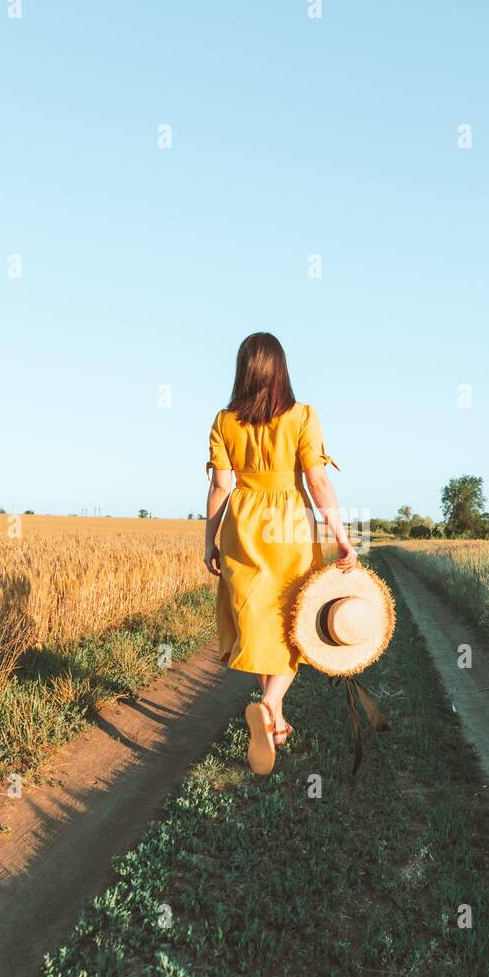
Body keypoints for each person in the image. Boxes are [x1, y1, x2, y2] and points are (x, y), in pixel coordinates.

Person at [203, 331, 357, 772]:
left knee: (256, 620)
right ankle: (271, 706)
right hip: (288, 522)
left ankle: (275, 719)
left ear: (242, 371)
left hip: (244, 525)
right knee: (294, 623)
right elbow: (318, 482)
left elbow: (219, 486)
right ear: (281, 370)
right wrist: (342, 537)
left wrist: (210, 539)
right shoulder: (303, 415)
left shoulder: (224, 421)